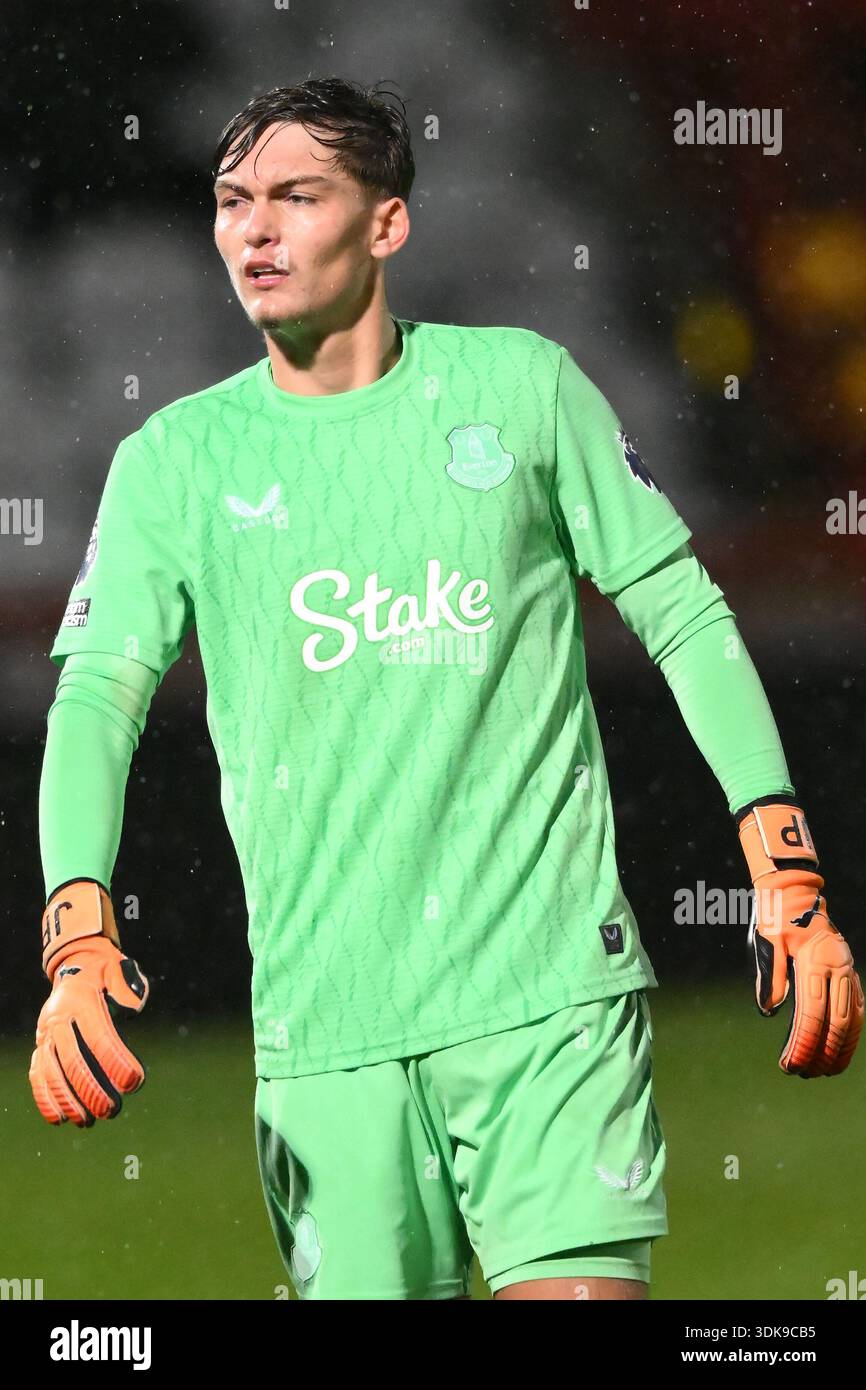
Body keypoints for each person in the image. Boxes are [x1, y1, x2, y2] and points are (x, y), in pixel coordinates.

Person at [31, 77, 863, 1302]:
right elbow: (97, 701)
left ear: (386, 224)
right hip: (325, 1025)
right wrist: (76, 930)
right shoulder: (171, 465)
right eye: (230, 202)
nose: (252, 231)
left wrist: (781, 863)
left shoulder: (524, 391)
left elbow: (681, 611)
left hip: (548, 995)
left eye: (296, 196)